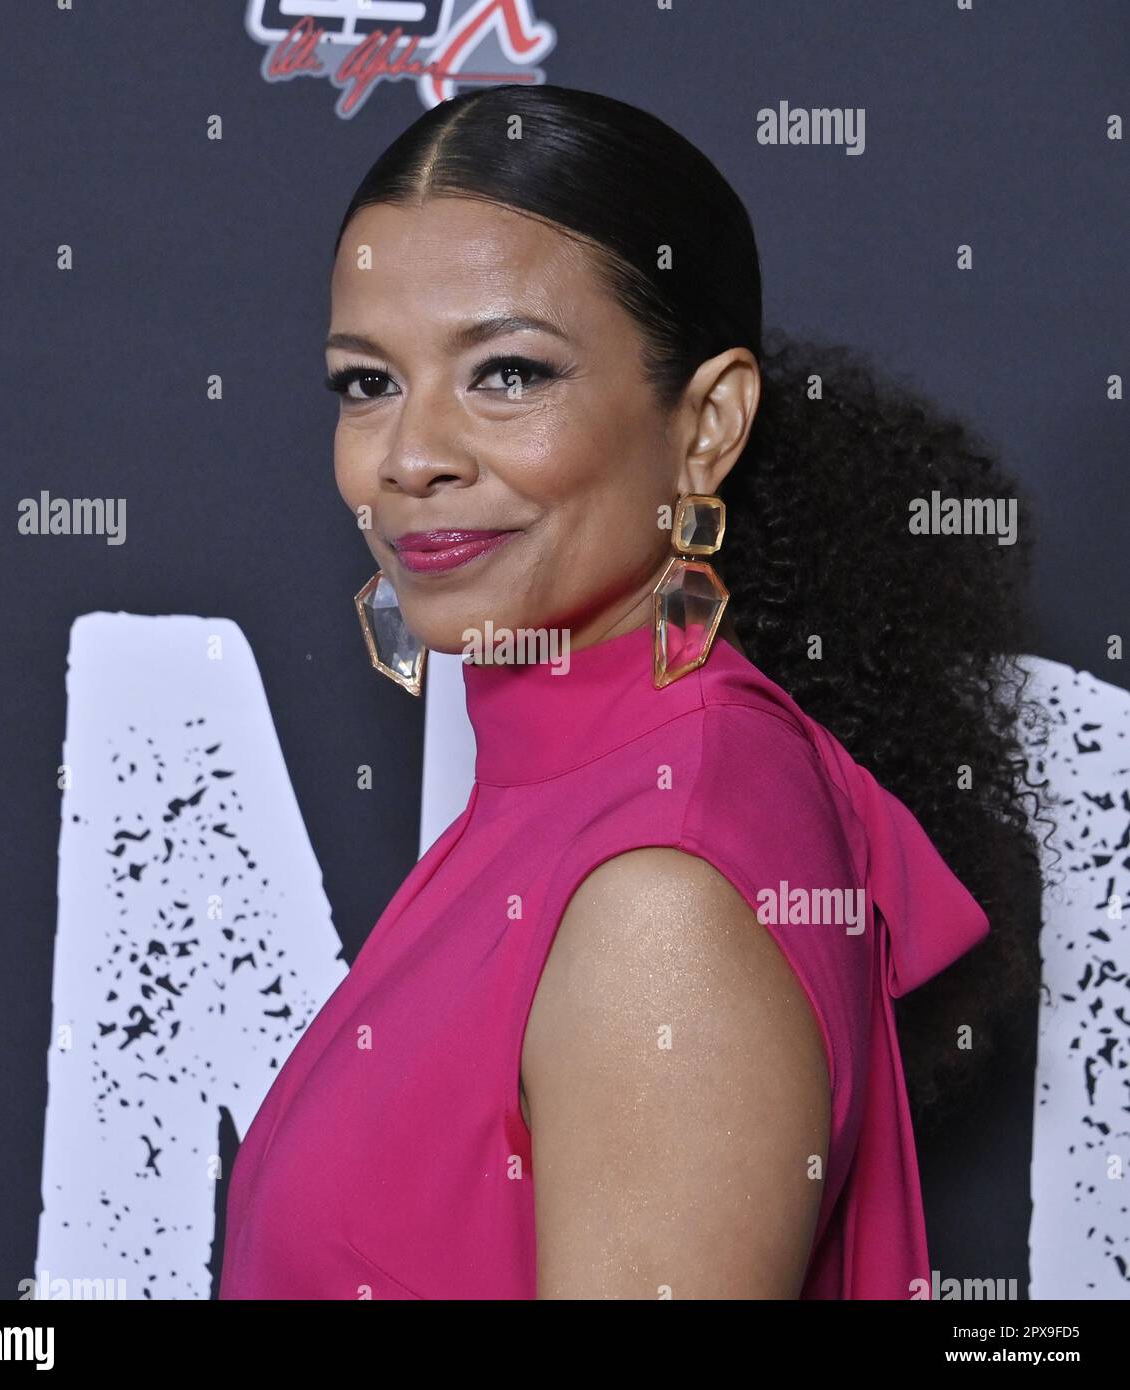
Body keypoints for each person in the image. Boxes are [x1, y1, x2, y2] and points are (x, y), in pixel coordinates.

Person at [219, 84, 1044, 1300]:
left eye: (505, 372)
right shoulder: (579, 788)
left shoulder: (662, 895)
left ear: (707, 423)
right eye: (367, 382)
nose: (409, 456)